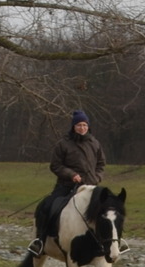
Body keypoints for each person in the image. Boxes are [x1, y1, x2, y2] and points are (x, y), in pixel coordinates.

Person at [30, 109, 105, 256]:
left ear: (88, 126)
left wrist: (96, 178)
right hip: (67, 186)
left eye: (84, 125)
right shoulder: (63, 144)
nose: (82, 128)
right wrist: (71, 175)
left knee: (109, 211)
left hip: (90, 186)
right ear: (73, 127)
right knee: (48, 206)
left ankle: (112, 244)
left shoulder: (95, 143)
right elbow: (55, 165)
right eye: (79, 125)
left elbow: (101, 164)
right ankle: (40, 241)